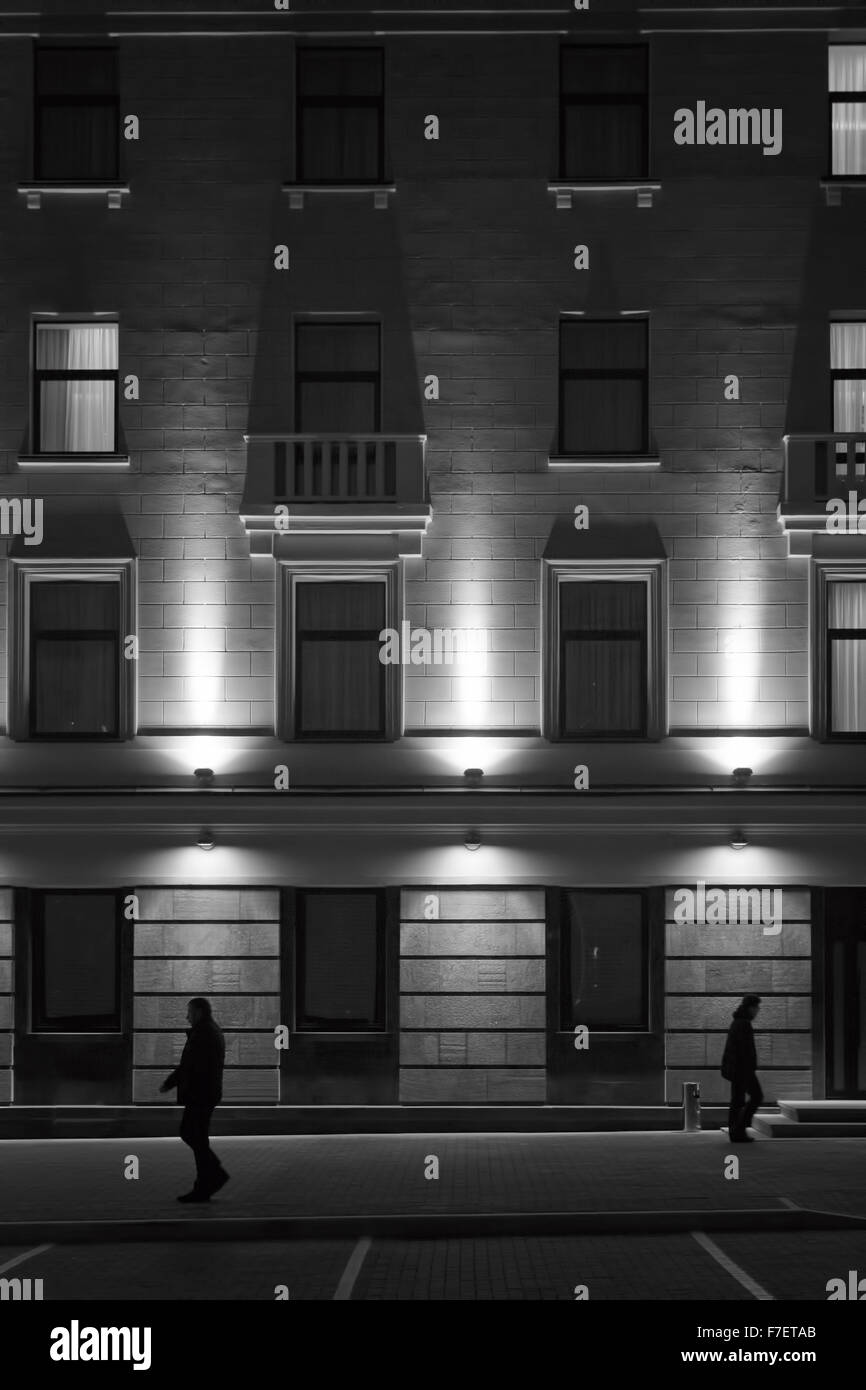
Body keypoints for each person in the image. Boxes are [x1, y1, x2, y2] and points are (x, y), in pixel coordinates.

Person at [159, 997, 230, 1202]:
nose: (186, 1017)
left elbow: (190, 1066)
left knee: (191, 1134)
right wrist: (172, 1082)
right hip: (204, 1093)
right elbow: (189, 1065)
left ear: (198, 1012)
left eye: (189, 1012)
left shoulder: (204, 1034)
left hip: (201, 1094)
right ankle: (207, 1182)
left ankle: (212, 1178)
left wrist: (171, 1082)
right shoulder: (207, 1032)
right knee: (196, 1136)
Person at [721, 994, 763, 1143]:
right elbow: (743, 1050)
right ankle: (739, 1129)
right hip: (742, 1070)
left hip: (739, 1069)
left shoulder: (738, 1022)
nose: (758, 1010)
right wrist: (750, 1068)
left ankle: (736, 1131)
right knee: (755, 1096)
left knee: (738, 1100)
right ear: (750, 1007)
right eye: (757, 1007)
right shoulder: (743, 1024)